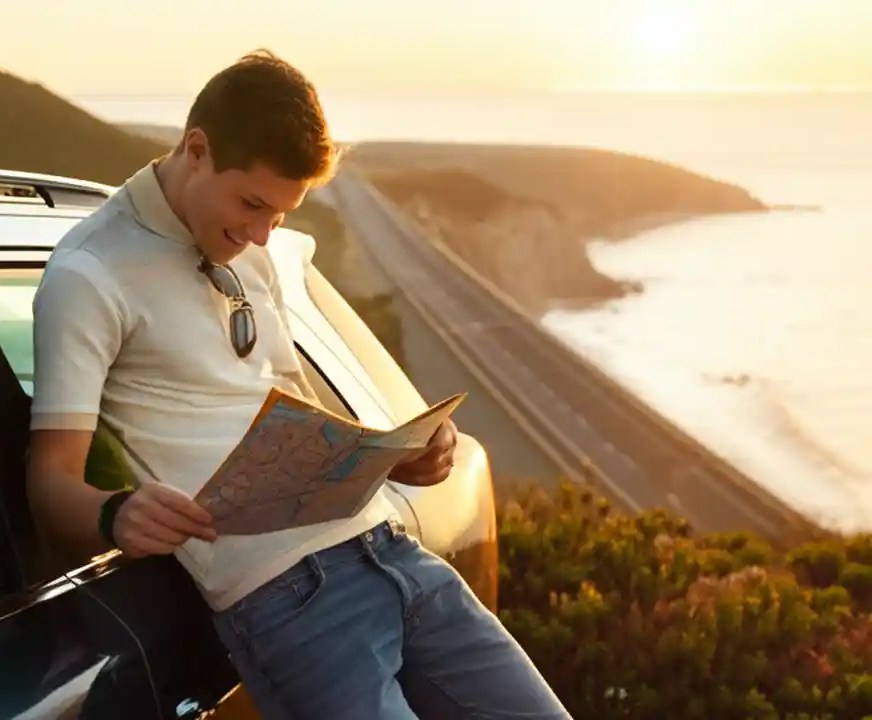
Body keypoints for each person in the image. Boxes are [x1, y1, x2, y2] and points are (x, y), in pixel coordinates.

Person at [28, 50, 570, 720]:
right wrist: (115, 513)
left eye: (278, 217)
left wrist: (395, 456)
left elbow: (296, 417)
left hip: (392, 551)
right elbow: (51, 480)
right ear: (196, 149)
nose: (259, 234)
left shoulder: (253, 249)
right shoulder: (89, 274)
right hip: (288, 600)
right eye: (251, 204)